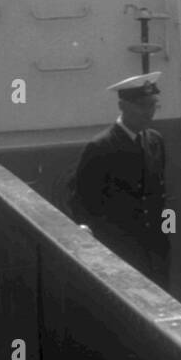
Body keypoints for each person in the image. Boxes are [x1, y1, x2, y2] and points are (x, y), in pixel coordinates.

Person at [71, 72, 170, 285]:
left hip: (154, 250)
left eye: (153, 105)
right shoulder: (101, 146)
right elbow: (82, 198)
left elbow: (160, 196)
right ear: (123, 106)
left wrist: (167, 235)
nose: (149, 112)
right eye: (142, 105)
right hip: (120, 250)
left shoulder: (155, 141)